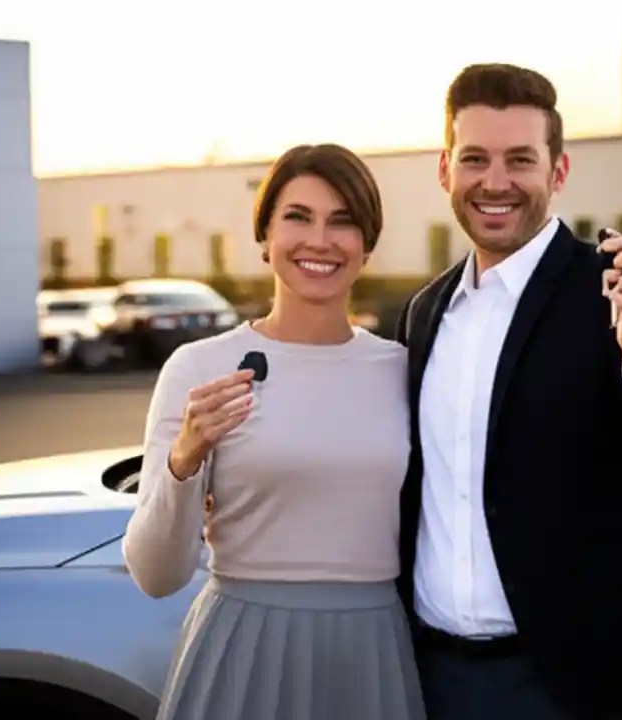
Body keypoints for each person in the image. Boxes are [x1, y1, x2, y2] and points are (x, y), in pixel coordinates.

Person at [394, 63, 622, 720]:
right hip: (435, 680)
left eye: (520, 159)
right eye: (475, 159)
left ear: (558, 172)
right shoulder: (425, 312)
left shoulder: (618, 286)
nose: (495, 183)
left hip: (570, 687)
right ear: (445, 171)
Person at [123, 143, 426, 720]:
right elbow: (156, 576)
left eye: (343, 221)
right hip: (242, 649)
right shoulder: (197, 367)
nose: (319, 240)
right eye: (297, 217)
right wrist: (184, 459)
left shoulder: (403, 369)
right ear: (264, 237)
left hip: (371, 653)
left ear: (367, 243)